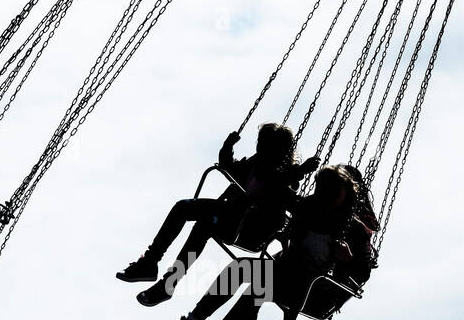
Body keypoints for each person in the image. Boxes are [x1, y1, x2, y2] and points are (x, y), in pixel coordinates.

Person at [164, 164, 362, 320]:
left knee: (259, 289)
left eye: (332, 193)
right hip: (283, 269)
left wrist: (347, 256)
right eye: (322, 191)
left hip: (310, 287)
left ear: (344, 194)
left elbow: (360, 270)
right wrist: (284, 235)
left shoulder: (352, 227)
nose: (325, 198)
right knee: (240, 268)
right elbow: (282, 200)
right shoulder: (307, 208)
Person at [116, 123, 318, 306]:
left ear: (279, 150)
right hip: (227, 216)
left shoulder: (289, 178)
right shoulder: (254, 164)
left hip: (250, 230)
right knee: (195, 217)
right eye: (260, 142)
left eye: (266, 144)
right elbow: (228, 167)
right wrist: (227, 147)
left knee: (193, 213)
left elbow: (277, 189)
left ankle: (160, 274)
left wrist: (299, 172)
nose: (260, 147)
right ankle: (157, 271)